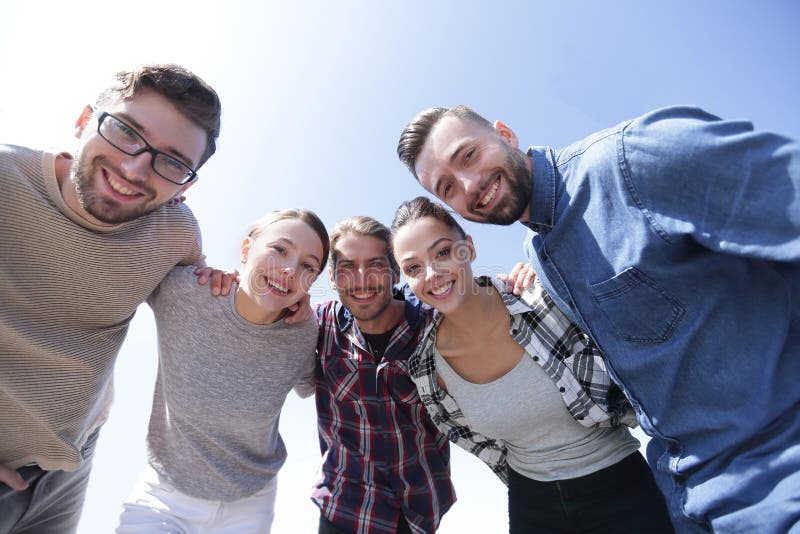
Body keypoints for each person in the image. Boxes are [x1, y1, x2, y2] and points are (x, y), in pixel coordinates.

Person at [396, 105, 800, 532]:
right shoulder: (541, 263)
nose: (470, 184)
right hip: (686, 500)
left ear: (506, 134)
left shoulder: (632, 160)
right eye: (448, 187)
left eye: (469, 155)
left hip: (777, 478)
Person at [0, 63, 222, 533]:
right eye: (125, 131)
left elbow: (210, 312)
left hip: (70, 466)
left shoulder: (175, 233)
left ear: (186, 184)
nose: (134, 167)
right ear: (84, 120)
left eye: (172, 161)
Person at [390, 196, 673, 533]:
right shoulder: (426, 369)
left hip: (622, 487)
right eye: (413, 268)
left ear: (469, 248)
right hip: (532, 507)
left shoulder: (543, 299)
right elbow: (482, 445)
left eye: (443, 253)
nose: (433, 274)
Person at [116, 208, 328, 533]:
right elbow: (130, 243)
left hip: (251, 502)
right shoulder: (186, 291)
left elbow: (317, 384)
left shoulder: (303, 333)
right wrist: (166, 202)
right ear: (247, 250)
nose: (289, 270)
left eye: (307, 267)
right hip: (167, 495)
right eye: (280, 250)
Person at [312, 216, 455, 534]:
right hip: (343, 507)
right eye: (347, 267)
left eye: (375, 264)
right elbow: (259, 312)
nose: (361, 280)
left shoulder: (435, 324)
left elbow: (482, 304)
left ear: (394, 272)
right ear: (333, 278)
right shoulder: (317, 325)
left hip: (419, 509)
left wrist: (510, 282)